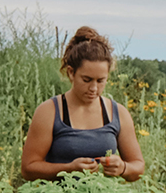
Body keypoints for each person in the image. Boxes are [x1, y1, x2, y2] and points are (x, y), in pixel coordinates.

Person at [21, 26, 145, 182]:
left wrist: (123, 168)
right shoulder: (50, 111)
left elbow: (138, 167)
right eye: (87, 80)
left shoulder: (117, 113)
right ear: (71, 73)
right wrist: (68, 169)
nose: (94, 88)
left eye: (100, 81)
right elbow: (28, 169)